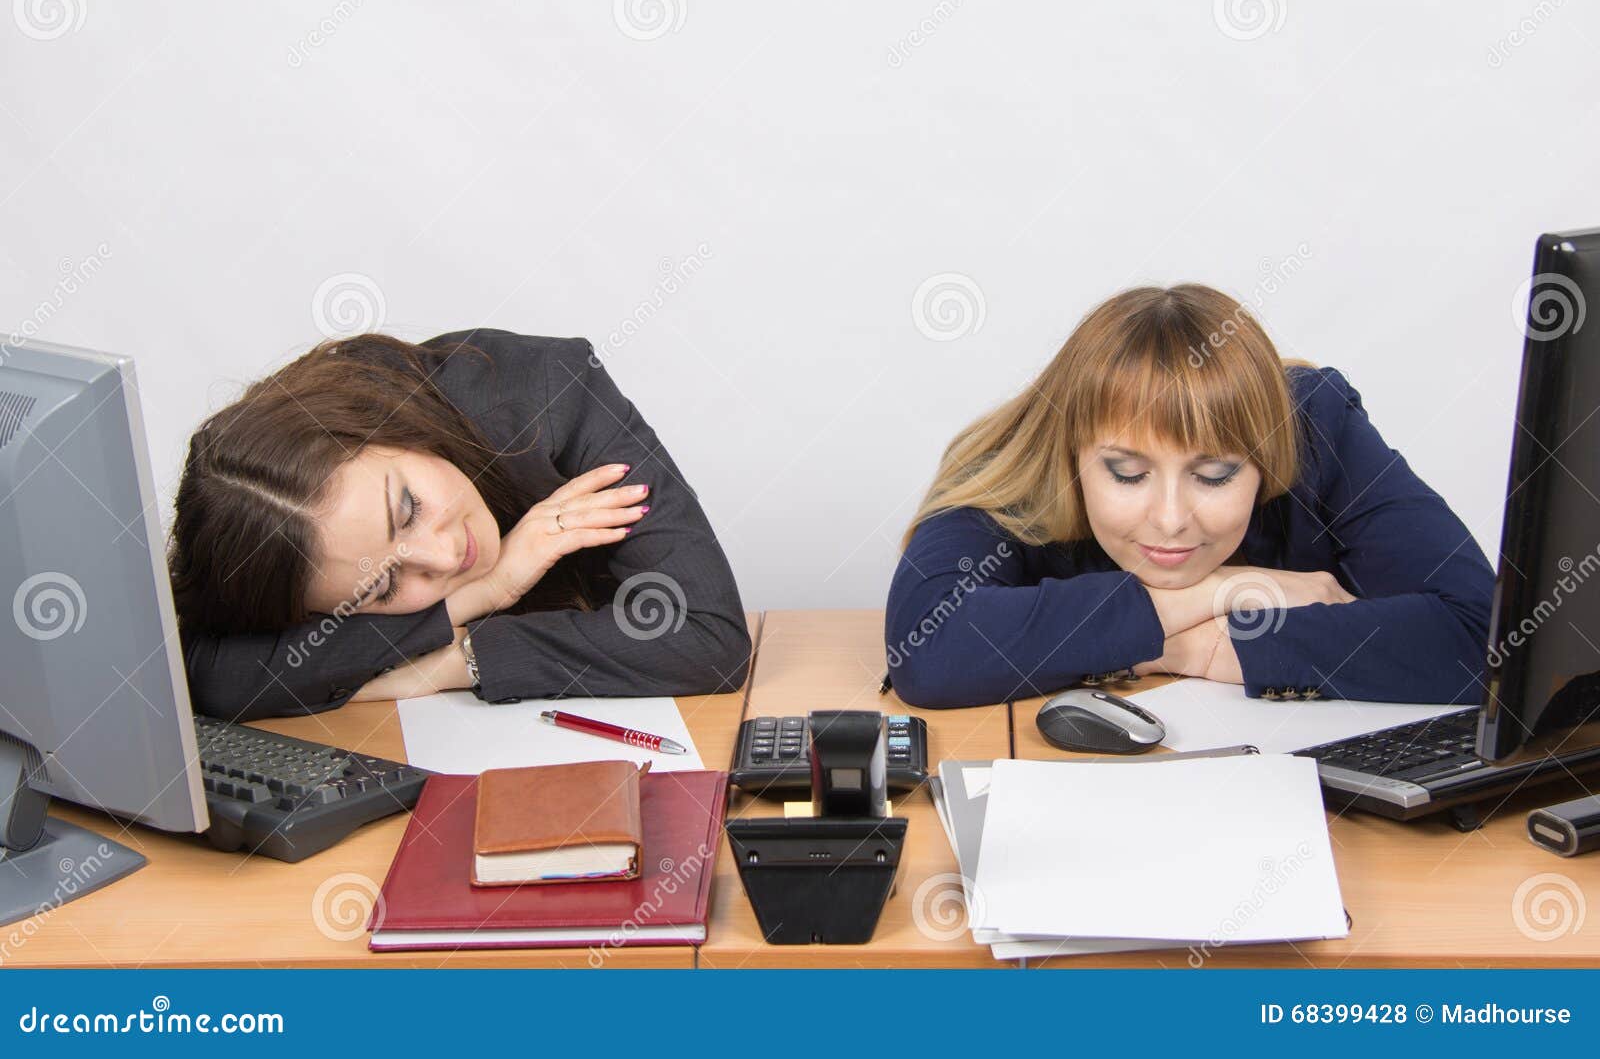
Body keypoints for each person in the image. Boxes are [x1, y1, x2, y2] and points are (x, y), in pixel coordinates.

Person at [884, 283, 1494, 709]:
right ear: (1072, 452)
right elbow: (928, 648)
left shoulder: (1314, 424)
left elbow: (1484, 637)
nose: (1172, 520)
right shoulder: (1018, 465)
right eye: (1126, 474)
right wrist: (1221, 590)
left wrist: (1199, 650)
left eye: (1215, 475)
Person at [170, 328, 749, 722]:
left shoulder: (543, 391)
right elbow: (211, 678)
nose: (444, 557)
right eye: (384, 587)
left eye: (408, 509)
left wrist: (454, 663)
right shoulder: (294, 565)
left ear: (385, 426)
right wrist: (481, 593)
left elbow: (706, 636)